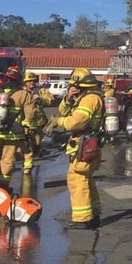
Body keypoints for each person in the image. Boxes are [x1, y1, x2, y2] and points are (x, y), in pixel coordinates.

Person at [52, 67, 104, 229]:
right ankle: (93, 215)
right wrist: (68, 98)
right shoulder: (83, 97)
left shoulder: (89, 99)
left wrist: (59, 122)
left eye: (73, 85)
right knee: (86, 180)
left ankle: (82, 219)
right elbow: (63, 110)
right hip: (86, 144)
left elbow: (76, 122)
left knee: (77, 179)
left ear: (80, 85)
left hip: (84, 144)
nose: (71, 88)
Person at [21, 71, 53, 160]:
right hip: (25, 124)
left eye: (33, 81)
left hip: (38, 124)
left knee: (37, 143)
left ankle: (36, 153)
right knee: (25, 144)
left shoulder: (41, 91)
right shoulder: (21, 92)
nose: (32, 83)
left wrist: (40, 99)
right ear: (25, 82)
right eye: (29, 81)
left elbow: (49, 100)